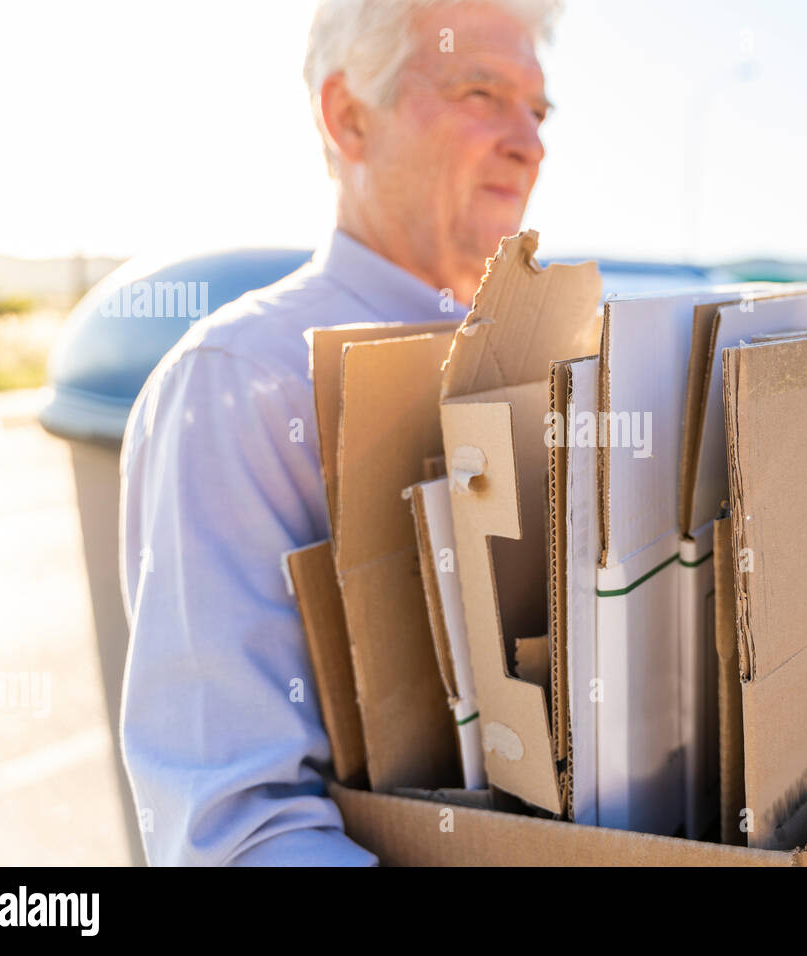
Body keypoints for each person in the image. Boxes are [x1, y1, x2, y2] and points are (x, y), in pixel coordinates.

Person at [119, 0, 559, 865]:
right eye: (482, 92)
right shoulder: (241, 383)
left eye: (537, 111)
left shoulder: (554, 370)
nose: (531, 144)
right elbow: (239, 831)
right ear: (348, 116)